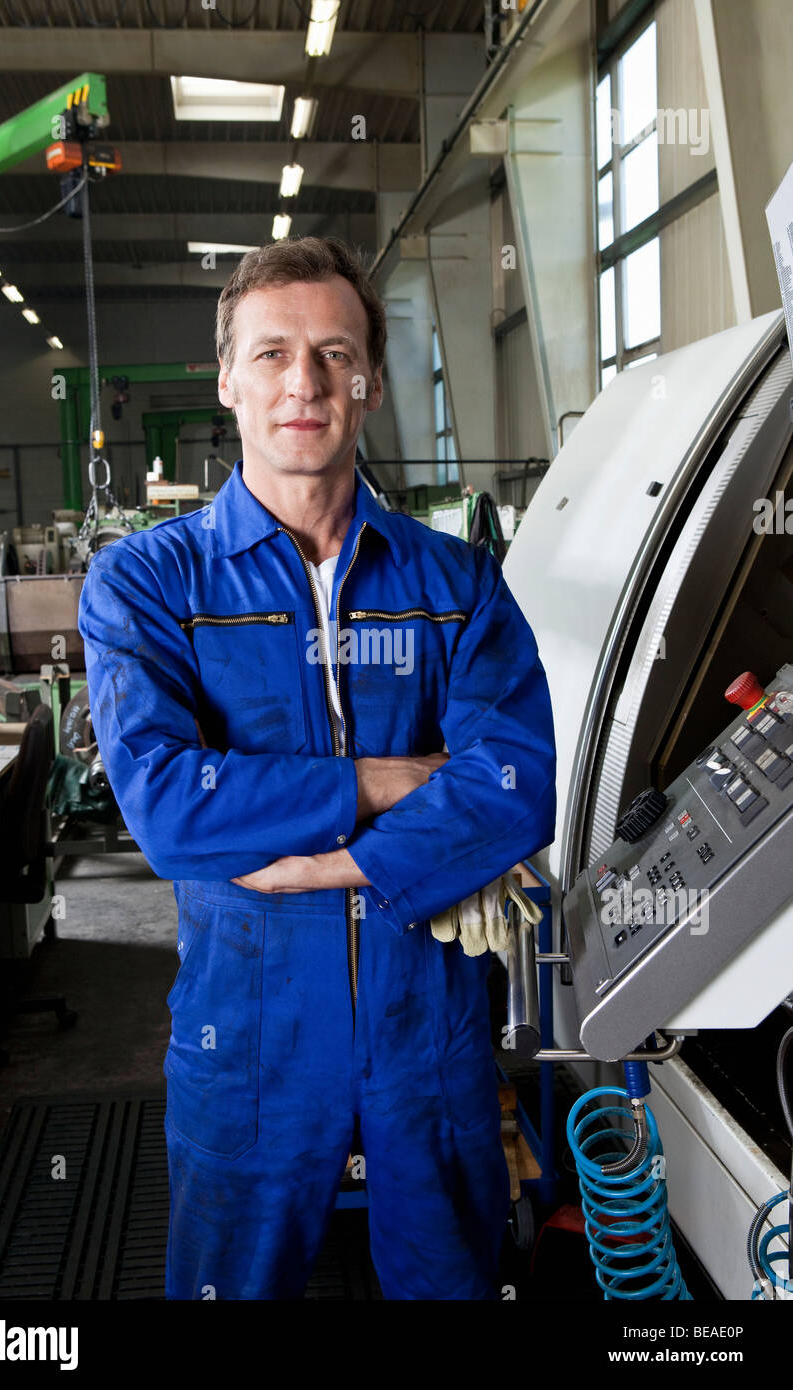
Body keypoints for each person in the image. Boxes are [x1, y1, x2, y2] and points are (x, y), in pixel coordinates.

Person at [78, 235, 556, 1301]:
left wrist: (321, 864)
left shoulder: (454, 583)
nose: (304, 381)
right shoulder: (148, 585)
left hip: (426, 1021)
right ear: (226, 380)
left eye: (335, 354)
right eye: (273, 353)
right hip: (246, 1032)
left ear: (371, 382)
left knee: (452, 1283)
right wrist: (389, 781)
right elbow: (166, 808)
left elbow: (515, 787)